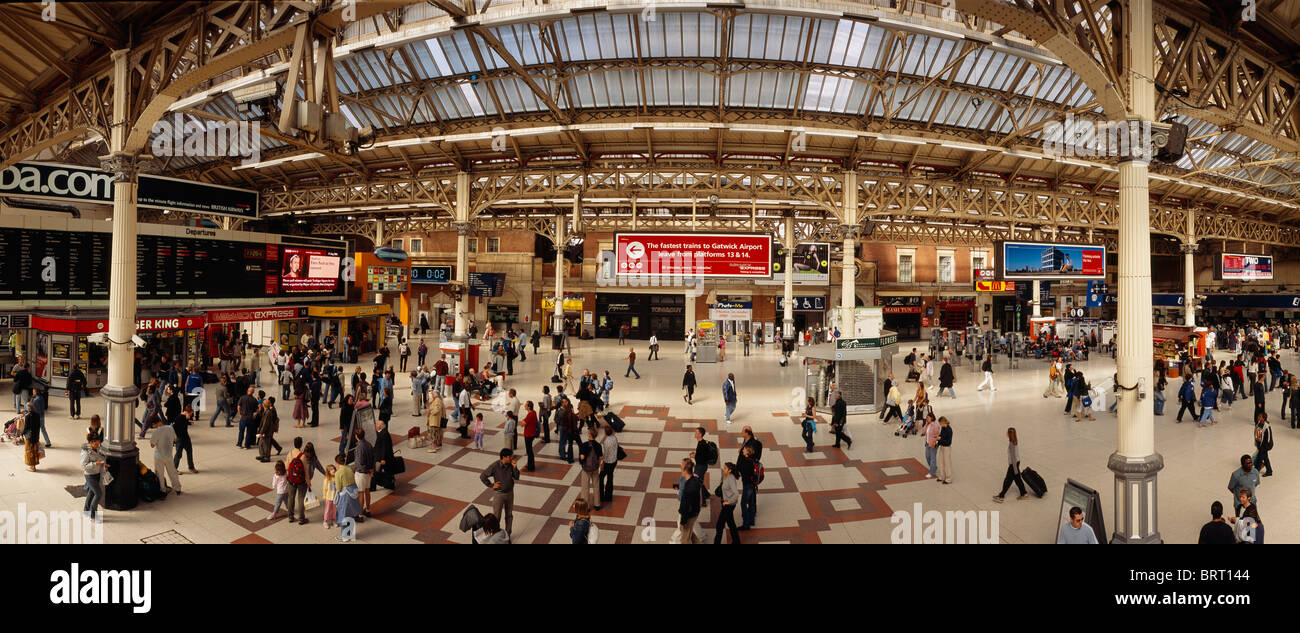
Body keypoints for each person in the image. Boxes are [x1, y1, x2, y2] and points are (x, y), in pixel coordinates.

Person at [480, 449, 521, 535]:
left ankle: (507, 534)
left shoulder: (511, 465)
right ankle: (496, 535)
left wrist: (515, 467)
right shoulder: (495, 466)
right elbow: (483, 476)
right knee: (497, 516)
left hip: (510, 493)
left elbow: (516, 477)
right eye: (509, 457)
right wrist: (491, 485)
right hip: (499, 494)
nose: (511, 458)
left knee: (509, 515)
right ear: (504, 457)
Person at [149, 415, 182, 495]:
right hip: (168, 455)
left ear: (154, 423)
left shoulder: (156, 432)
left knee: (159, 474)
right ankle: (177, 488)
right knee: (172, 472)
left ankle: (162, 490)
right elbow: (175, 439)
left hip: (159, 456)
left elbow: (152, 445)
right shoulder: (170, 428)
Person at [992, 427, 1027, 502]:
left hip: (1013, 465)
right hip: (1016, 463)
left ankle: (1001, 496)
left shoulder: (1011, 444)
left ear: (1009, 434)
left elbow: (1013, 457)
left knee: (1007, 480)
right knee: (1018, 479)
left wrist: (1014, 469)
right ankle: (1024, 493)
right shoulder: (1015, 441)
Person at [332, 454, 360, 538]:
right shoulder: (350, 469)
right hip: (353, 494)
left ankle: (344, 536)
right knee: (350, 515)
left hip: (345, 496)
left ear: (337, 462)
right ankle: (350, 534)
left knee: (343, 515)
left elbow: (338, 488)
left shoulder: (338, 473)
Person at [80, 432, 107, 518]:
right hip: (90, 475)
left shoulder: (97, 448)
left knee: (91, 493)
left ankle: (86, 511)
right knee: (98, 494)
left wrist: (103, 464)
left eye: (98, 443)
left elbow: (99, 458)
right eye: (95, 444)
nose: (97, 445)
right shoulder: (86, 452)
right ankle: (93, 513)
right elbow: (83, 466)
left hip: (97, 474)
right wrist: (95, 464)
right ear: (91, 442)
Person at [677, 458, 703, 544]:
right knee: (690, 534)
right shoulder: (694, 480)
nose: (680, 467)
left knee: (684, 540)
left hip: (689, 515)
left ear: (685, 470)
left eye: (681, 467)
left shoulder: (688, 488)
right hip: (694, 512)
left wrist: (683, 521)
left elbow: (686, 506)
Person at [714, 462, 741, 544]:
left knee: (719, 525)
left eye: (725, 468)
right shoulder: (724, 476)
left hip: (729, 505)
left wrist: (728, 502)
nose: (723, 469)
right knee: (731, 523)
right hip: (724, 502)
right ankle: (736, 541)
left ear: (730, 470)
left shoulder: (731, 479)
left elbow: (736, 494)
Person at [578, 426, 603, 510]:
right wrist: (598, 465)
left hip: (586, 469)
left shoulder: (584, 445)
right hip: (595, 468)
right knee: (596, 486)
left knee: (585, 487)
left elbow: (582, 457)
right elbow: (600, 457)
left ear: (589, 435)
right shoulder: (598, 445)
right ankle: (597, 504)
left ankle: (586, 506)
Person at [352, 427, 375, 518]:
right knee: (367, 491)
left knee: (360, 493)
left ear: (356, 436)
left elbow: (360, 462)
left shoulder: (359, 447)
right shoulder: (369, 444)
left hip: (361, 473)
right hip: (368, 472)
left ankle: (360, 513)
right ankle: (368, 509)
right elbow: (373, 458)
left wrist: (354, 469)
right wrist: (371, 470)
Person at [173, 406, 197, 473]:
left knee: (189, 452)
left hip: (186, 438)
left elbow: (184, 423)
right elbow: (175, 429)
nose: (190, 416)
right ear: (186, 412)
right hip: (180, 439)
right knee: (178, 455)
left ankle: (191, 467)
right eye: (190, 414)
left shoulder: (185, 417)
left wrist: (189, 423)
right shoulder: (178, 418)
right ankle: (174, 469)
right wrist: (175, 439)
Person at [600, 423, 619, 503]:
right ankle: (609, 496)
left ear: (605, 432)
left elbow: (605, 454)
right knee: (610, 478)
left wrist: (602, 464)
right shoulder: (614, 438)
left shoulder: (606, 442)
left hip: (607, 462)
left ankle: (601, 495)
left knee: (600, 478)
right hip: (614, 461)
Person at [1253, 413, 1274, 477]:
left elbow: (1268, 439)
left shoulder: (1267, 427)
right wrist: (1257, 443)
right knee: (1265, 458)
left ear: (1263, 418)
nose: (1258, 417)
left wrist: (1264, 447)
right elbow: (1257, 434)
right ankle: (1269, 471)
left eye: (1260, 416)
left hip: (1264, 446)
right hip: (1260, 445)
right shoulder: (1258, 424)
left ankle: (1255, 472)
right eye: (1258, 416)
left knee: (1259, 459)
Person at [936, 416, 953, 484]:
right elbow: (941, 435)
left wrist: (940, 439)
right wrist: (938, 442)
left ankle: (949, 478)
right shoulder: (943, 428)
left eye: (940, 423)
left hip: (946, 448)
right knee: (941, 462)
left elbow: (948, 442)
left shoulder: (949, 430)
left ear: (943, 422)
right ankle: (942, 476)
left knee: (947, 463)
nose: (940, 425)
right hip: (942, 447)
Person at [522, 401, 539, 471]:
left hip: (528, 434)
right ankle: (530, 464)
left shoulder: (530, 415)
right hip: (532, 433)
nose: (524, 406)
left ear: (529, 407)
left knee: (529, 451)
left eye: (525, 405)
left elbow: (523, 424)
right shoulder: (534, 412)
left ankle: (531, 467)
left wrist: (523, 421)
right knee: (529, 451)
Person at [922, 413, 939, 479]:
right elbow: (923, 432)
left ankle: (932, 472)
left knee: (932, 459)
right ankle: (934, 467)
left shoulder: (935, 425)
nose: (927, 419)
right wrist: (926, 424)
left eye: (928, 418)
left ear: (932, 418)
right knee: (927, 457)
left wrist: (933, 444)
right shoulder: (928, 425)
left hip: (933, 445)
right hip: (927, 443)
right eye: (926, 418)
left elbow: (937, 436)